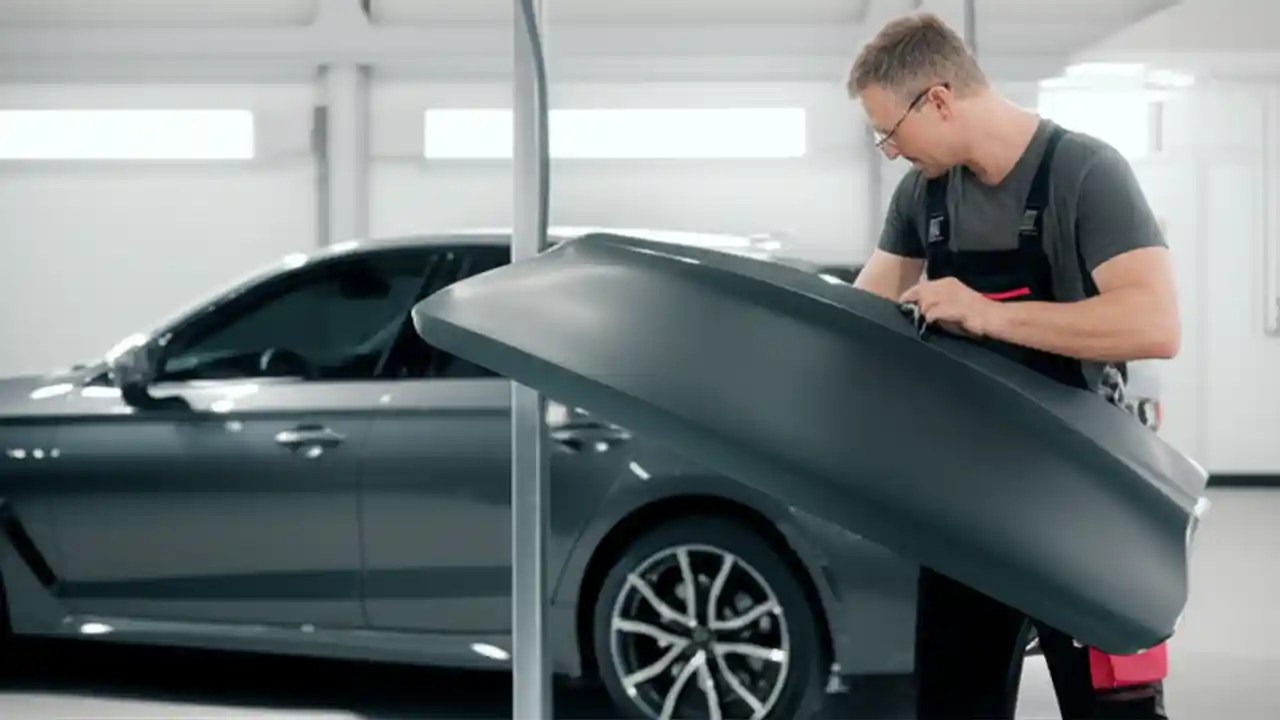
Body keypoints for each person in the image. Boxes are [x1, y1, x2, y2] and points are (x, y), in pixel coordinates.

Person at [846, 11, 1181, 720]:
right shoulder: (925, 194)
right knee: (954, 705)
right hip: (971, 505)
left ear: (938, 100)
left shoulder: (1086, 174)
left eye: (889, 131)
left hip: (1085, 505)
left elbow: (1154, 324)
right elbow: (859, 319)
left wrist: (988, 314)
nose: (890, 151)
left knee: (1114, 712)